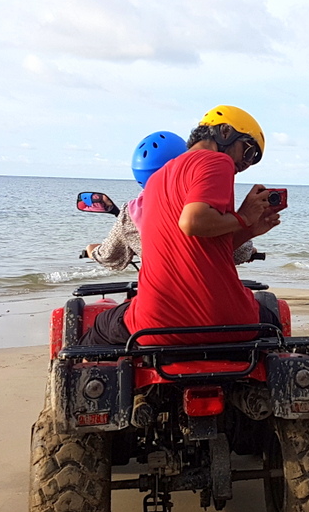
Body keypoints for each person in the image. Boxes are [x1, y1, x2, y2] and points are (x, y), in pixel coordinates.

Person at [83, 105, 281, 347]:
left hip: (153, 326)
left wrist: (247, 229)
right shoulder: (218, 161)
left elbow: (203, 245)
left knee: (96, 331)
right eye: (249, 152)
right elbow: (192, 222)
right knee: (274, 326)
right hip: (227, 322)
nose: (246, 164)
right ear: (225, 132)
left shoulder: (157, 180)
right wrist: (244, 218)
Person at [85, 130, 258, 271]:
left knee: (92, 312)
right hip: (204, 291)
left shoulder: (131, 213)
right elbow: (229, 248)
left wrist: (92, 251)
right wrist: (249, 246)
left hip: (157, 297)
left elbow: (109, 256)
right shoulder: (200, 204)